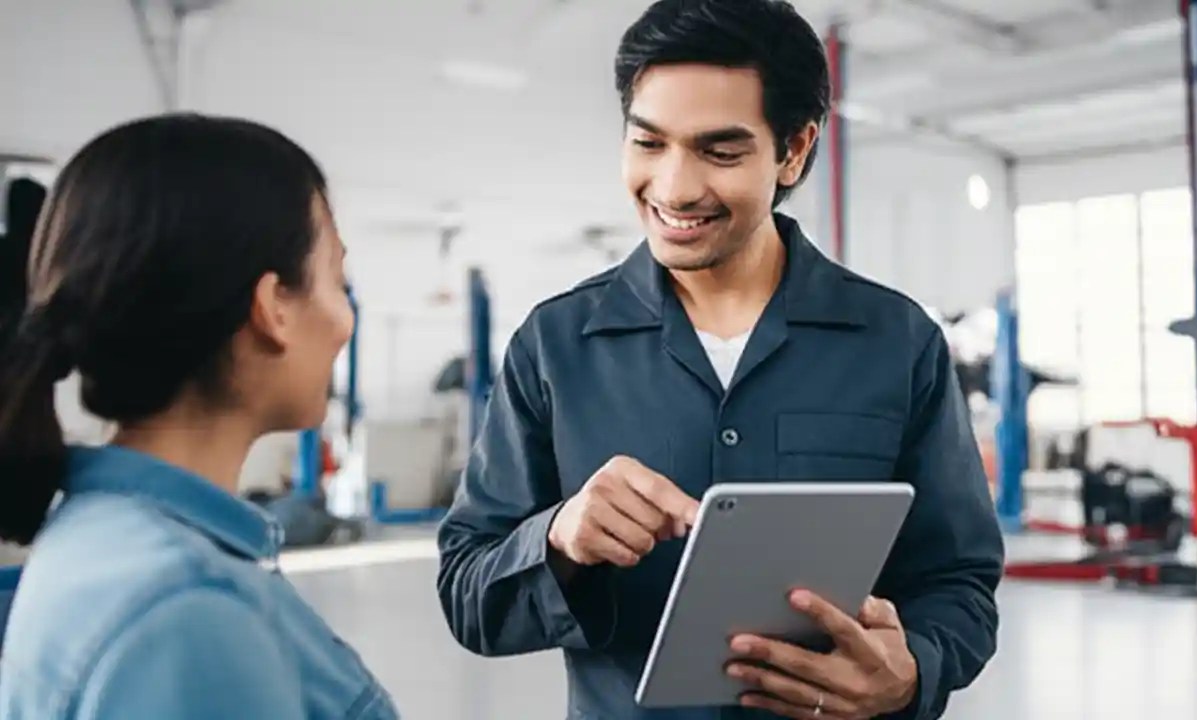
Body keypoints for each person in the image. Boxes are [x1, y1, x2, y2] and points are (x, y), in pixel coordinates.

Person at [436, 0, 1004, 718]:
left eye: (720, 152)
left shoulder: (899, 343)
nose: (675, 188)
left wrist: (913, 670)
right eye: (649, 143)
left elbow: (959, 582)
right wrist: (558, 539)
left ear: (793, 150)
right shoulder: (554, 347)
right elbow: (468, 593)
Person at [0, 115, 398, 719]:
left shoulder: (108, 537)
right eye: (336, 281)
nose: (346, 322)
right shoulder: (190, 614)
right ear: (273, 307)